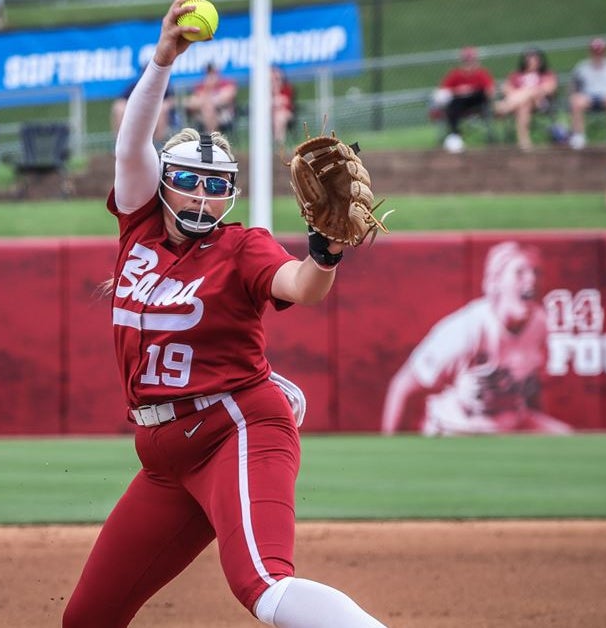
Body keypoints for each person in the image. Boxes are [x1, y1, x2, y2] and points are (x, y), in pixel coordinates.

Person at [62, 3, 385, 627]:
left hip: (233, 429)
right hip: (163, 457)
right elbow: (132, 144)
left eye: (216, 184)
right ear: (163, 182)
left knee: (262, 585)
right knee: (87, 619)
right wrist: (163, 59)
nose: (202, 195)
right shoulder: (140, 232)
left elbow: (300, 284)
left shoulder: (240, 245)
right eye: (188, 180)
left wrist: (325, 252)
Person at [380, 241, 571, 437]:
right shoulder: (468, 328)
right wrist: (389, 451)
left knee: (566, 440)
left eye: (537, 272)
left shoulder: (540, 323)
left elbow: (531, 387)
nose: (531, 279)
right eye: (520, 272)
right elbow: (403, 386)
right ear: (497, 281)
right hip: (457, 428)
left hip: (509, 424)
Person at [430, 46, 496, 154]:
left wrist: (479, 92)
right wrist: (459, 91)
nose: (469, 63)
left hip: (476, 102)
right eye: (467, 60)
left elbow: (490, 90)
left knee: (478, 93)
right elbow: (443, 90)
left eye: (471, 60)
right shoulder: (456, 74)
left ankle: (455, 137)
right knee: (453, 105)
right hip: (459, 103)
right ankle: (455, 136)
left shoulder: (481, 73)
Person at [568, 37, 606, 150]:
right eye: (595, 51)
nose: (598, 54)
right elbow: (573, 87)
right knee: (576, 101)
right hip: (588, 98)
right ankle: (578, 136)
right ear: (590, 52)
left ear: (605, 51)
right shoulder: (582, 67)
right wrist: (574, 96)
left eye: (600, 51)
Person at [495, 48, 558, 151]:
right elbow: (505, 88)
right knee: (524, 105)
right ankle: (524, 142)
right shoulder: (516, 75)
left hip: (540, 103)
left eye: (535, 60)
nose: (532, 63)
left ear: (540, 61)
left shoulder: (545, 74)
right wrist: (522, 94)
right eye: (529, 60)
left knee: (529, 93)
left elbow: (550, 88)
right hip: (521, 104)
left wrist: (529, 91)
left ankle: (504, 107)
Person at [111, 78, 176, 145]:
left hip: (159, 117)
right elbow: (122, 100)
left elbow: (171, 100)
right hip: (139, 116)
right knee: (119, 108)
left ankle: (158, 145)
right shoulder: (136, 84)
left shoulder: (164, 83)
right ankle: (121, 143)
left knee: (162, 109)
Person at [185, 61, 238, 134]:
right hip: (203, 116)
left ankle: (212, 137)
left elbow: (227, 97)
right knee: (208, 108)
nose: (210, 75)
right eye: (208, 73)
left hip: (224, 114)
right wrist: (208, 89)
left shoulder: (226, 83)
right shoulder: (201, 86)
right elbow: (191, 103)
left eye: (212, 72)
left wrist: (206, 99)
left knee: (208, 108)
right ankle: (213, 138)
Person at [271, 65, 296, 149]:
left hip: (286, 114)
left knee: (279, 117)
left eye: (277, 79)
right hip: (270, 116)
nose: (275, 81)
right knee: (276, 116)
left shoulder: (287, 88)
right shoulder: (265, 90)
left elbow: (286, 103)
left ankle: (278, 145)